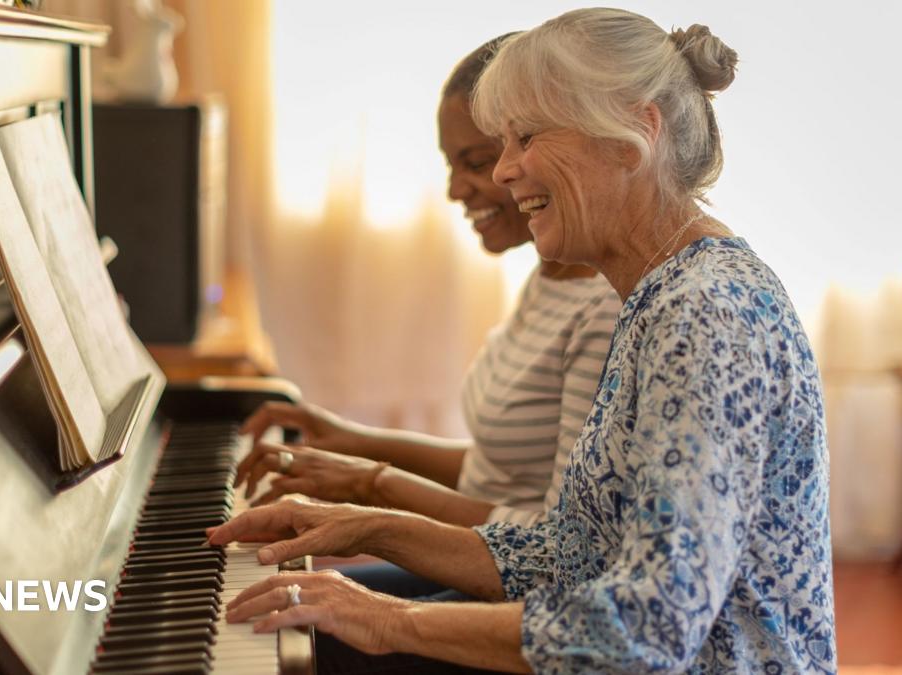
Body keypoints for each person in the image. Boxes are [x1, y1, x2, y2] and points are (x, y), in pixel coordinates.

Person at [210, 8, 837, 674]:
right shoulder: (659, 294)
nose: (506, 172)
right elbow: (572, 555)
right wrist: (367, 522)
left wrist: (388, 617)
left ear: (635, 133)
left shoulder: (705, 313)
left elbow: (649, 629)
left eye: (526, 137)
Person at [234, 36, 622, 537]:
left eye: (476, 163)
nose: (454, 190)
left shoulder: (601, 312)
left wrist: (370, 484)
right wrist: (355, 441)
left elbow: (558, 543)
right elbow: (493, 474)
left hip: (504, 575)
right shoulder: (552, 274)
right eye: (450, 165)